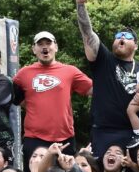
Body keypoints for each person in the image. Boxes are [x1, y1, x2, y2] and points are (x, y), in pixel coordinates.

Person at [75, 0, 139, 158]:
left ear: (136, 46)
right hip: (103, 132)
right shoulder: (104, 59)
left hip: (134, 132)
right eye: (118, 36)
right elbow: (87, 34)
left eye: (127, 37)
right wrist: (81, 5)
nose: (121, 38)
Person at [13, 31, 93, 160]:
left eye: (48, 43)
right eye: (40, 44)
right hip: (34, 138)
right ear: (34, 49)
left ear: (55, 47)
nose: (45, 47)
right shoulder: (23, 74)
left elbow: (94, 90)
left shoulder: (70, 71)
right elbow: (14, 97)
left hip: (64, 138)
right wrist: (35, 107)